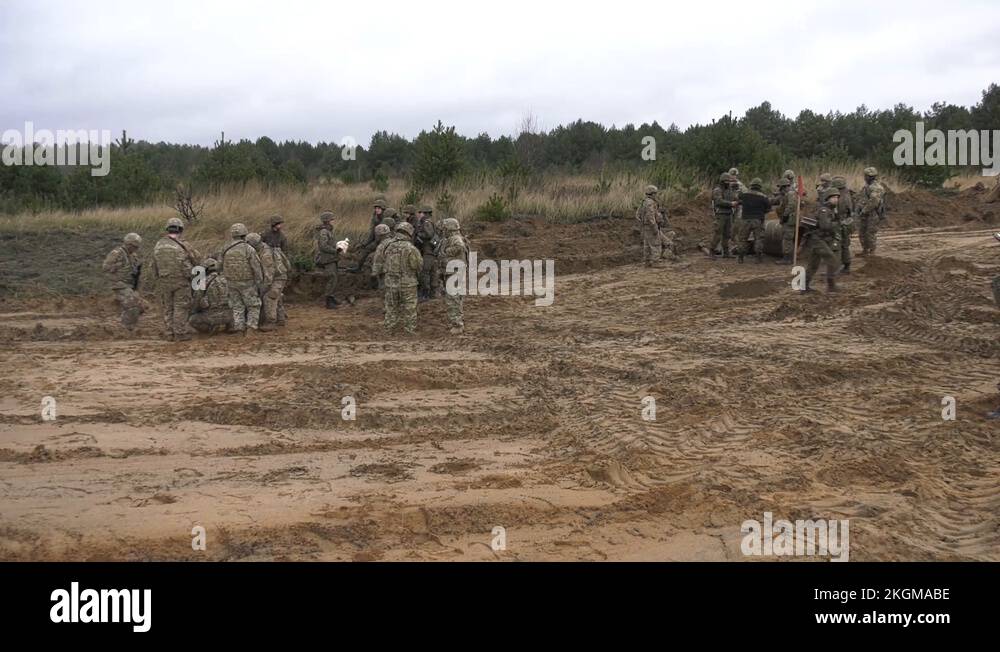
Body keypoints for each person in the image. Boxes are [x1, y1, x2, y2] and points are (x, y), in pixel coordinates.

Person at [151, 217, 200, 341]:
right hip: (181, 281)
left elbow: (154, 265)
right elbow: (197, 260)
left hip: (163, 280)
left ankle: (169, 333)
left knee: (168, 307)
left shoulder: (158, 245)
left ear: (167, 229)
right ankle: (180, 333)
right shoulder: (184, 245)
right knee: (180, 307)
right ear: (181, 230)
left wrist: (158, 279)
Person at [220, 222, 264, 334]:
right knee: (253, 305)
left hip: (231, 283)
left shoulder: (225, 248)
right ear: (244, 234)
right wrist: (260, 283)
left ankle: (239, 329)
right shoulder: (248, 249)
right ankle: (251, 328)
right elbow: (256, 268)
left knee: (237, 306)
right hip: (247, 283)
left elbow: (218, 266)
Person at [101, 232, 148, 332]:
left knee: (142, 306)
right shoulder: (117, 253)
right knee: (133, 304)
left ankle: (128, 323)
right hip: (119, 284)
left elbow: (136, 273)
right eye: (134, 246)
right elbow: (105, 267)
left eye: (137, 247)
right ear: (128, 244)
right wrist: (118, 266)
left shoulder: (133, 256)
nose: (136, 249)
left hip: (129, 285)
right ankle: (126, 328)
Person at [382, 222, 423, 334]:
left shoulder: (388, 246)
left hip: (391, 283)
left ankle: (389, 329)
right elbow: (418, 265)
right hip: (408, 283)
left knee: (391, 307)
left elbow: (382, 261)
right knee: (409, 308)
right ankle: (409, 330)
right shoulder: (411, 248)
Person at [799, 188, 841, 293]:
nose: (836, 200)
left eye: (837, 197)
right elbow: (825, 226)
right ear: (828, 199)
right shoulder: (824, 210)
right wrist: (838, 224)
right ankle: (831, 285)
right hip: (817, 240)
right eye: (834, 197)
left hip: (818, 240)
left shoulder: (830, 210)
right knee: (832, 260)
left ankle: (804, 287)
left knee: (813, 265)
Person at [439, 218, 470, 334]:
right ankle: (456, 322)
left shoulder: (455, 239)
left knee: (453, 299)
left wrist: (446, 251)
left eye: (445, 228)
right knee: (455, 298)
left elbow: (460, 247)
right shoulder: (452, 238)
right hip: (454, 272)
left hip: (454, 273)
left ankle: (457, 325)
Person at [189, 258, 232, 333]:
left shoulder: (203, 282)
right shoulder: (227, 279)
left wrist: (193, 311)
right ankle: (229, 325)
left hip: (211, 316)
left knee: (192, 320)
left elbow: (196, 302)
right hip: (230, 315)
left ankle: (211, 328)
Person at [315, 211, 344, 309]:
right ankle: (328, 301)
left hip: (331, 258)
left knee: (334, 279)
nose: (333, 222)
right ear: (327, 221)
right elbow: (323, 246)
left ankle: (331, 297)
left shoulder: (328, 231)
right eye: (331, 220)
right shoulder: (324, 232)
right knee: (331, 278)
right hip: (328, 259)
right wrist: (335, 251)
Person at [736, 178, 770, 263]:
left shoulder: (744, 195)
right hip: (757, 220)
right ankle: (758, 258)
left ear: (751, 185)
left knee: (742, 239)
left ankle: (740, 257)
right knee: (758, 239)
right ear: (760, 186)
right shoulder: (763, 197)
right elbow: (768, 208)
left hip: (745, 219)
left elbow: (738, 199)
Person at [856, 166, 886, 256]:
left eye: (866, 176)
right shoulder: (867, 186)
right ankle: (865, 250)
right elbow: (863, 198)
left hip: (873, 214)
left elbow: (874, 202)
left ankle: (872, 252)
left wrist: (864, 210)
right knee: (862, 232)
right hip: (865, 213)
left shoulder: (877, 188)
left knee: (870, 233)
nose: (865, 177)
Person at [710, 173, 738, 259]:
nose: (728, 182)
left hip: (729, 214)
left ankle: (726, 252)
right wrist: (731, 204)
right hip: (721, 214)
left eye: (729, 181)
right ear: (722, 181)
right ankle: (712, 251)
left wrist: (738, 200)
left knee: (727, 234)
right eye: (726, 181)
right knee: (718, 233)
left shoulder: (729, 190)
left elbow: (734, 198)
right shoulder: (717, 190)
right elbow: (719, 201)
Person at [414, 205, 439, 300]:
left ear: (425, 213)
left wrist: (419, 235)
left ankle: (425, 294)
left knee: (425, 271)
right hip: (430, 250)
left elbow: (429, 234)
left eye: (421, 213)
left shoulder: (426, 222)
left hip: (428, 250)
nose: (419, 214)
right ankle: (432, 293)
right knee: (432, 271)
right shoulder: (428, 221)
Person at [831, 175, 854, 273]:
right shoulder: (847, 195)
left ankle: (839, 266)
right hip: (847, 222)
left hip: (840, 223)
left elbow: (836, 213)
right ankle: (846, 265)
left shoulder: (840, 199)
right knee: (845, 245)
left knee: (838, 245)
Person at [636, 184, 663, 266]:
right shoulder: (650, 203)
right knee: (656, 244)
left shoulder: (644, 202)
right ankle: (655, 262)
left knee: (647, 244)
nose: (656, 195)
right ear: (652, 193)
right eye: (655, 193)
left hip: (645, 226)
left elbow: (638, 215)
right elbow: (650, 216)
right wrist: (654, 226)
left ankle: (647, 262)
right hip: (651, 226)